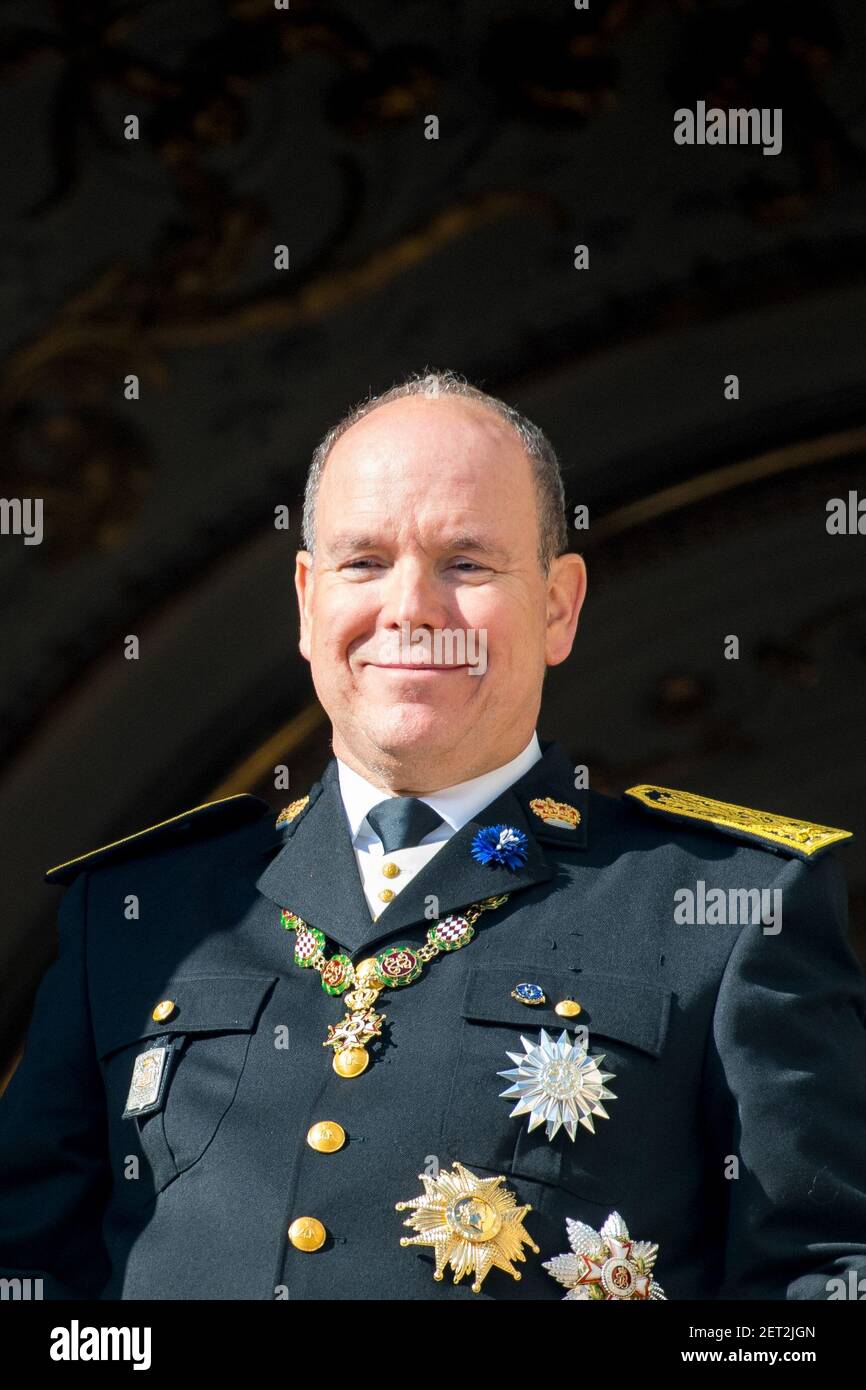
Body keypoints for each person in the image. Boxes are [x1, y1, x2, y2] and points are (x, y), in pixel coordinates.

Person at [1, 369, 864, 1301]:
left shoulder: (724, 911)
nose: (412, 610)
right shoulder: (140, 913)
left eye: (466, 563)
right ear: (306, 599)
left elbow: (820, 1286)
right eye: (364, 562)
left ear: (559, 605)